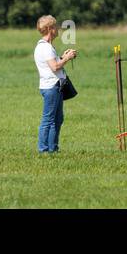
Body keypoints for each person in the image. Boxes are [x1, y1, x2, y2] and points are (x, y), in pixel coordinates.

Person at [34, 15, 75, 153]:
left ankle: (53, 149)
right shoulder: (46, 48)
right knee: (49, 120)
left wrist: (63, 56)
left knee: (57, 119)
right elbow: (55, 67)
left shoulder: (46, 47)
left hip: (53, 86)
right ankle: (44, 150)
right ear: (50, 29)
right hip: (52, 87)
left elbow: (54, 63)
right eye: (56, 26)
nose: (58, 29)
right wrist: (67, 58)